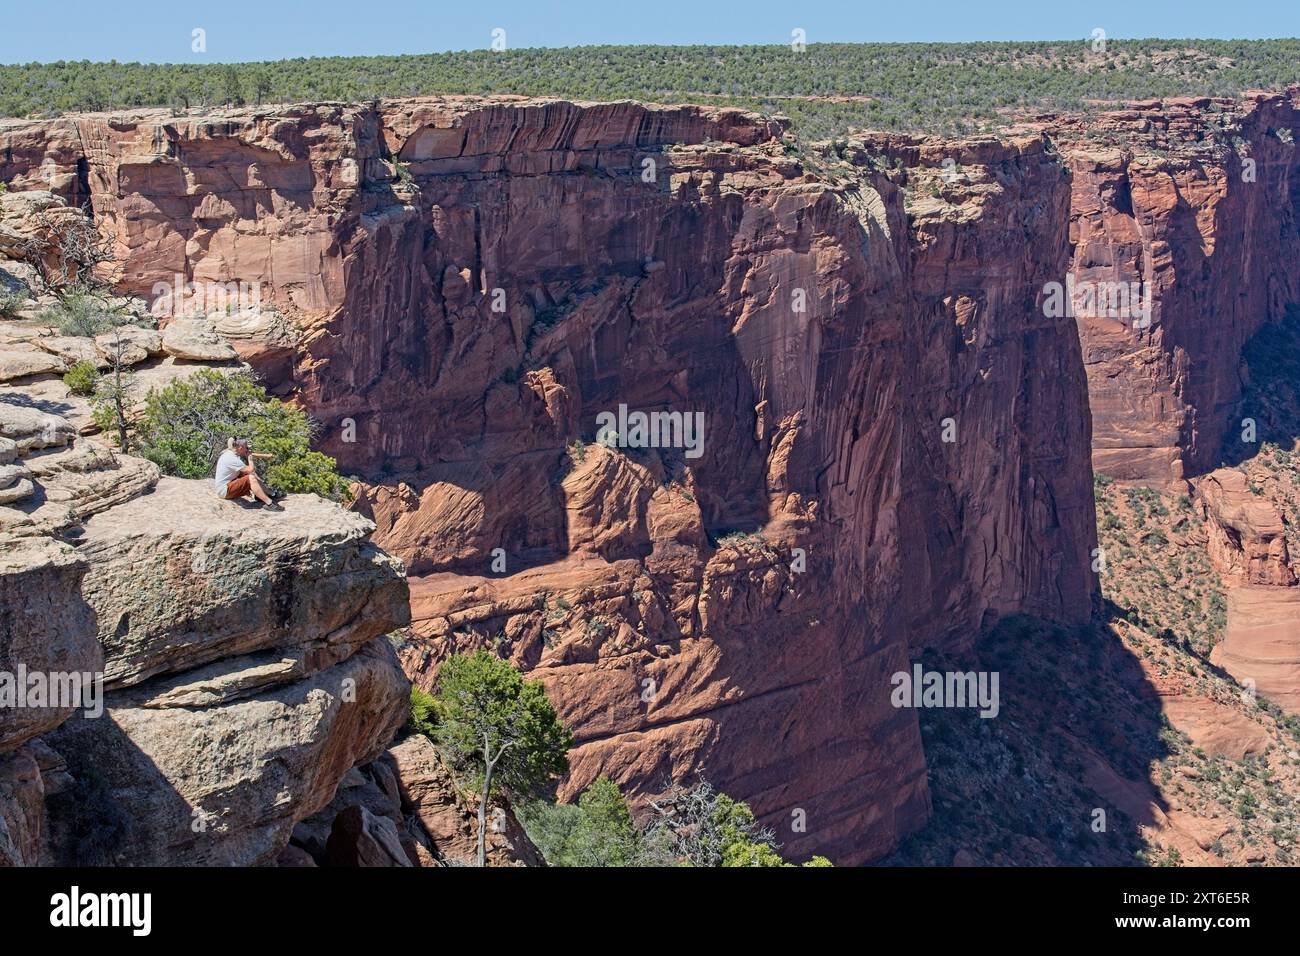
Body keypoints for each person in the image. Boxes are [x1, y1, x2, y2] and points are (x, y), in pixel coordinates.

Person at [214, 439, 282, 511]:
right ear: (240, 448)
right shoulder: (231, 458)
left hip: (228, 486)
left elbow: (247, 471)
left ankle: (270, 494)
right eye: (246, 448)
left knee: (249, 474)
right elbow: (250, 469)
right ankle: (270, 504)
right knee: (250, 477)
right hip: (224, 490)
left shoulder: (232, 454)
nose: (247, 450)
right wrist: (250, 459)